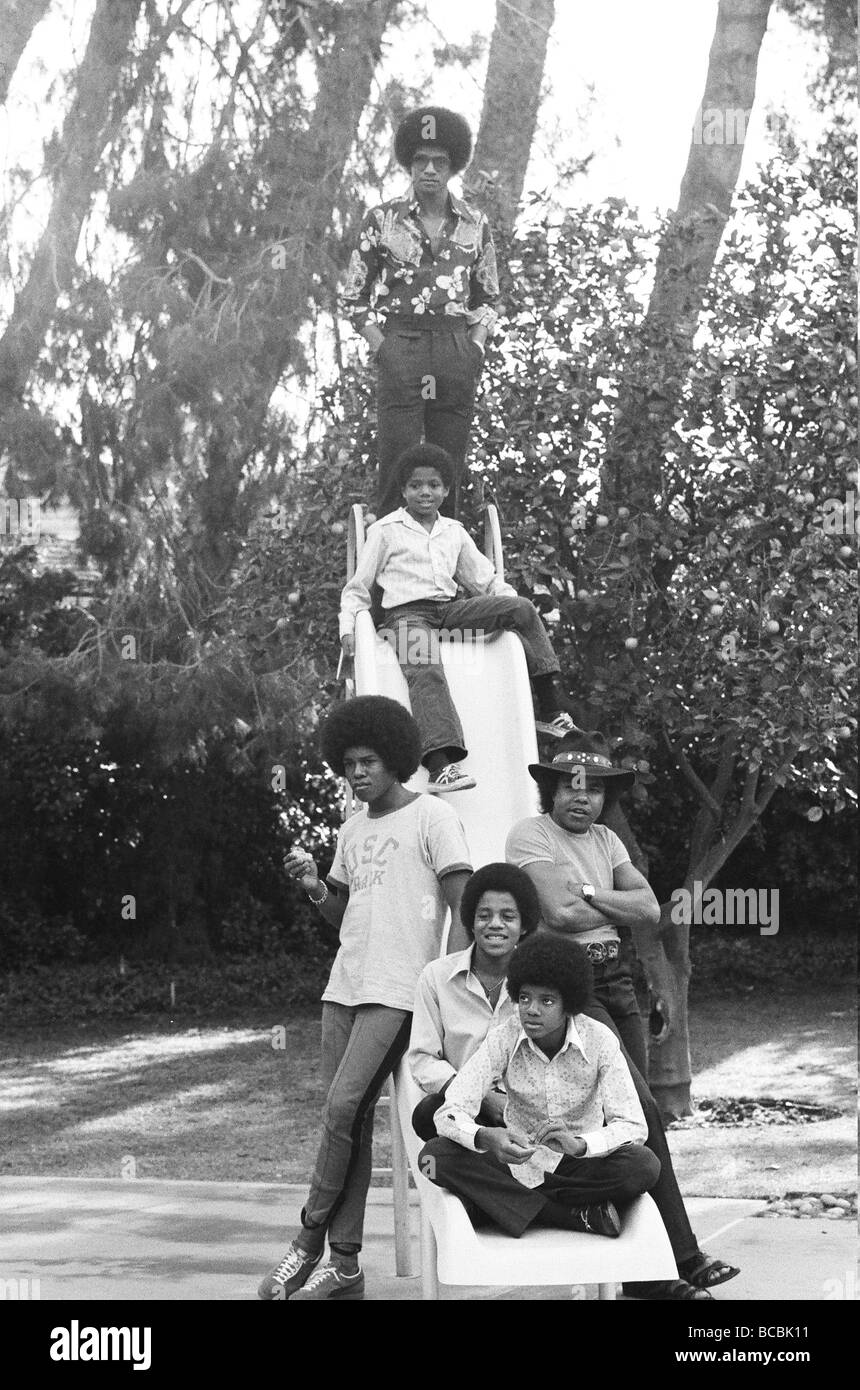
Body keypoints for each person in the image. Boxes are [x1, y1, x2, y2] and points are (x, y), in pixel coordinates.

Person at [505, 729, 741, 1297]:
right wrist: (599, 900)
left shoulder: (609, 840)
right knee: (644, 1112)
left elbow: (649, 907)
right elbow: (558, 916)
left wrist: (585, 890)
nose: (582, 799)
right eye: (570, 788)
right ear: (552, 792)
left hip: (618, 982)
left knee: (628, 1124)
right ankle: (682, 1257)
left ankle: (639, 1271)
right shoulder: (529, 835)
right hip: (573, 990)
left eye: (593, 790)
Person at [257, 695, 472, 1302]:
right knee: (345, 1119)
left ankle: (307, 1239)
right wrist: (310, 889)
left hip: (400, 993)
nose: (357, 772)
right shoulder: (351, 830)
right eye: (348, 762)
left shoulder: (434, 817)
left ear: (397, 759)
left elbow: (464, 904)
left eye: (369, 760)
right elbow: (343, 914)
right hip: (344, 987)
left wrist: (445, 985)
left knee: (340, 1109)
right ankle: (346, 1264)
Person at [339, 443, 582, 794]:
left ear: (446, 490)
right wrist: (349, 627)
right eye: (417, 485)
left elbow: (485, 580)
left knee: (522, 608)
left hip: (448, 610)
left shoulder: (453, 531)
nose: (426, 492)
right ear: (404, 490)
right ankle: (440, 765)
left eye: (434, 485)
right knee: (426, 668)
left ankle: (550, 705)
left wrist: (508, 604)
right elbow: (356, 589)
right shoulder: (386, 531)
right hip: (405, 616)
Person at [419, 934, 661, 1239]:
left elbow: (633, 1126)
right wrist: (486, 1136)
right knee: (432, 1157)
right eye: (524, 998)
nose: (532, 1009)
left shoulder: (599, 1040)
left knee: (644, 1166)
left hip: (575, 1169)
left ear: (569, 1004)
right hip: (514, 1163)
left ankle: (497, 1205)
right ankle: (572, 1216)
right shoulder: (503, 1037)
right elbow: (450, 1111)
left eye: (546, 1001)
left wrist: (581, 1145)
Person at [340, 105, 499, 518]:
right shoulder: (382, 219)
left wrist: (475, 348)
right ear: (410, 165)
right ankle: (390, 578)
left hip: (454, 348)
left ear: (452, 168)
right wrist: (384, 348)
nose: (430, 170)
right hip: (402, 346)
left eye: (440, 162)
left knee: (448, 467)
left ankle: (444, 576)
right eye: (422, 161)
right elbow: (354, 297)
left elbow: (488, 298)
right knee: (400, 463)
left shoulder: (474, 223)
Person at [408, 862, 540, 1141]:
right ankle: (491, 1161)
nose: (495, 925)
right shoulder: (436, 977)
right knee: (427, 1114)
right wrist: (479, 1096)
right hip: (465, 1109)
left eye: (508, 916)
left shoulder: (541, 979)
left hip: (528, 1109)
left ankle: (492, 1172)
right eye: (484, 915)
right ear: (470, 920)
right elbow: (423, 1059)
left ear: (524, 924)